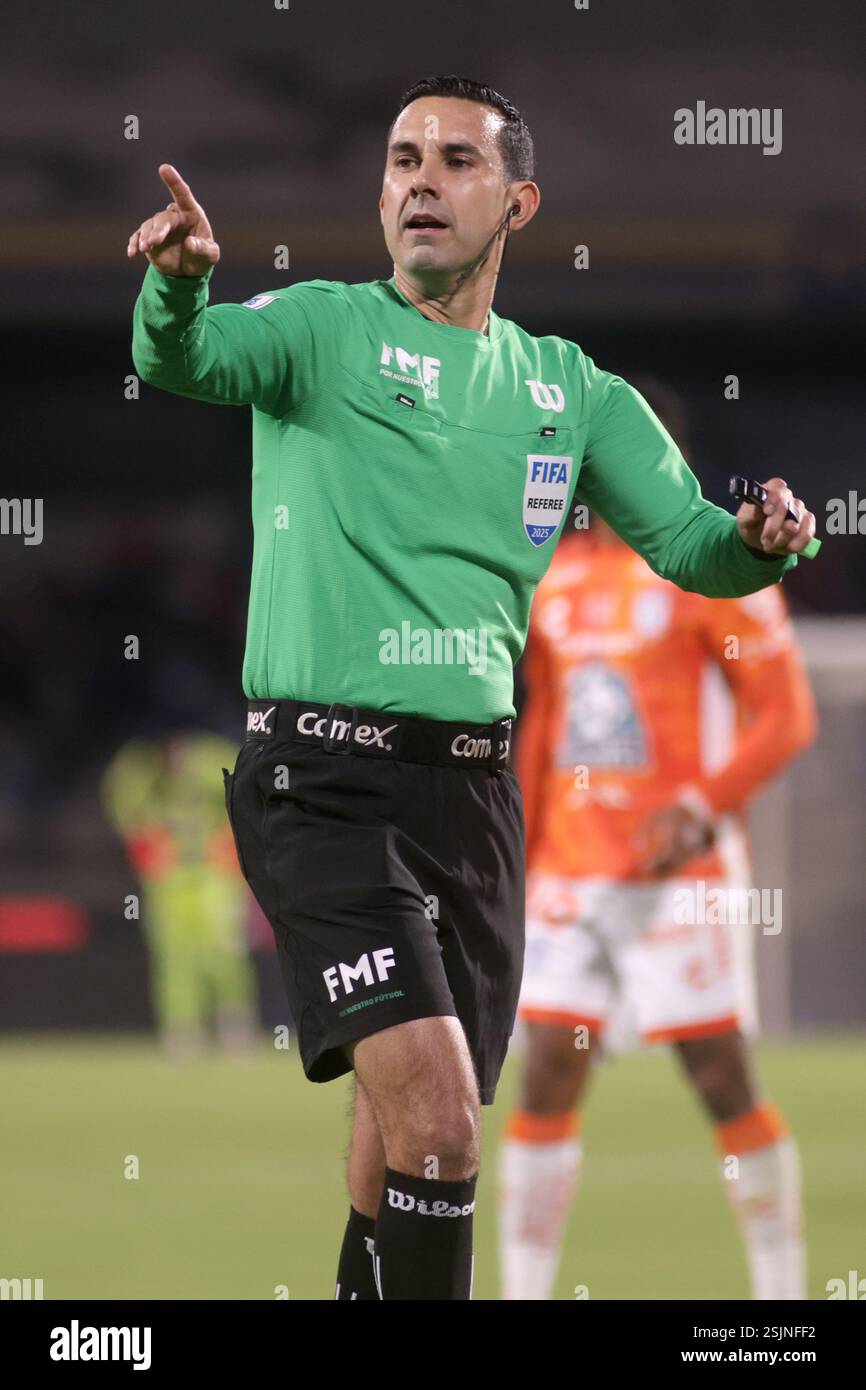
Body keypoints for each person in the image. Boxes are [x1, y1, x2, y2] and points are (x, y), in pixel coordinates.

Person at [127, 75, 817, 1300]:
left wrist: (763, 540)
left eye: (454, 160)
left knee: (394, 1144)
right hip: (322, 787)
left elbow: (692, 547)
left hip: (472, 802)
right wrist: (177, 279)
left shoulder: (569, 391)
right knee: (443, 1125)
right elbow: (179, 356)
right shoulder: (318, 329)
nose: (419, 182)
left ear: (517, 202)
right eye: (400, 158)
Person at [499, 380, 817, 1299]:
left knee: (721, 1079)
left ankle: (783, 1302)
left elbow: (786, 716)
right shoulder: (551, 575)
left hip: (679, 877)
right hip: (569, 873)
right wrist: (514, 855)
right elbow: (544, 724)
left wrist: (699, 805)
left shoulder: (717, 566)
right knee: (547, 1078)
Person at [102, 730, 258, 1056]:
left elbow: (243, 779)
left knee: (225, 951)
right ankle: (182, 1031)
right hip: (169, 880)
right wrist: (145, 763)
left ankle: (235, 1025)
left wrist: (194, 758)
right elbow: (120, 797)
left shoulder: (209, 759)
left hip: (216, 875)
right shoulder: (142, 771)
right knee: (175, 957)